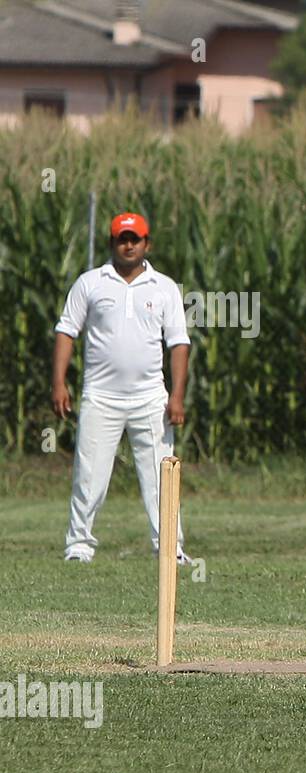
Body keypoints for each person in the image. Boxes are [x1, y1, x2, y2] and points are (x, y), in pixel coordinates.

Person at [52, 212, 192, 564]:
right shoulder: (90, 283)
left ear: (147, 244)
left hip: (150, 398)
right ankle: (79, 547)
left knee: (161, 476)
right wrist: (59, 382)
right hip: (101, 396)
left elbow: (178, 343)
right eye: (122, 239)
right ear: (112, 243)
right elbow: (67, 331)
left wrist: (176, 396)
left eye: (135, 239)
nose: (128, 245)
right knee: (90, 475)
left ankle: (170, 549)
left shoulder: (164, 288)